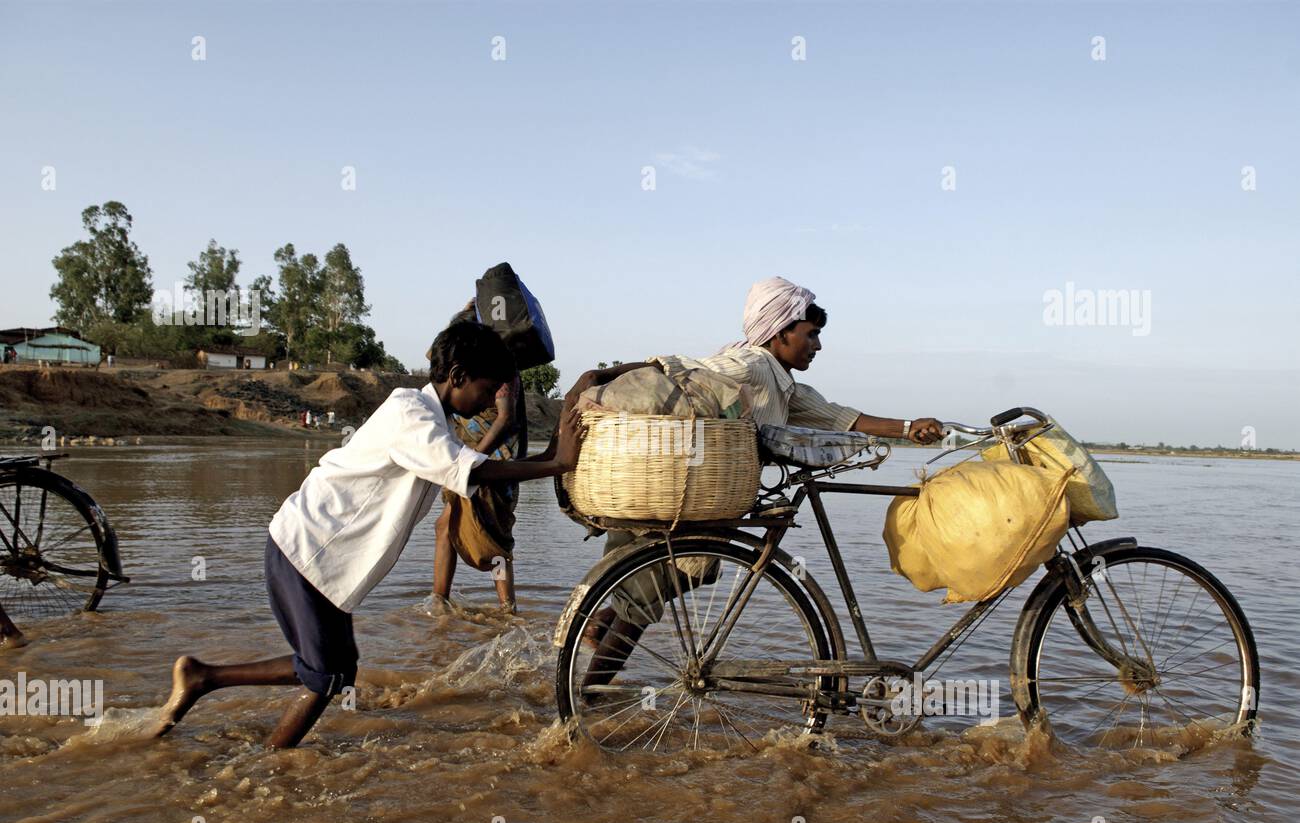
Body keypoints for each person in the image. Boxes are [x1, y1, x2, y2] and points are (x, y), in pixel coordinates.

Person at [152, 319, 585, 748]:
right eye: (489, 388)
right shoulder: (410, 415)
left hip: (319, 557)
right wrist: (555, 464)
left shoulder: (429, 420)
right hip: (308, 551)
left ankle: (203, 677)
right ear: (457, 377)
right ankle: (270, 763)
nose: (492, 398)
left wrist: (549, 452)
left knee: (334, 669)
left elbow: (467, 464)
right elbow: (470, 469)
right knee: (326, 677)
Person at [573, 275, 945, 692]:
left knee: (679, 575)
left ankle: (601, 629)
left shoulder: (785, 386)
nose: (817, 345)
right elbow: (684, 370)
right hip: (681, 490)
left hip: (688, 491)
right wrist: (603, 375)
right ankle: (586, 702)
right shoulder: (749, 365)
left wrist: (910, 427)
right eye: (811, 334)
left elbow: (843, 418)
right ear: (779, 332)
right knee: (650, 590)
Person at [429, 304, 530, 613]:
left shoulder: (499, 368)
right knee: (446, 526)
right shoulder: (459, 367)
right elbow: (434, 357)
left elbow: (505, 419)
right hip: (464, 453)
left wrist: (474, 461)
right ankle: (439, 602)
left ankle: (507, 609)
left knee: (495, 535)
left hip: (491, 456)